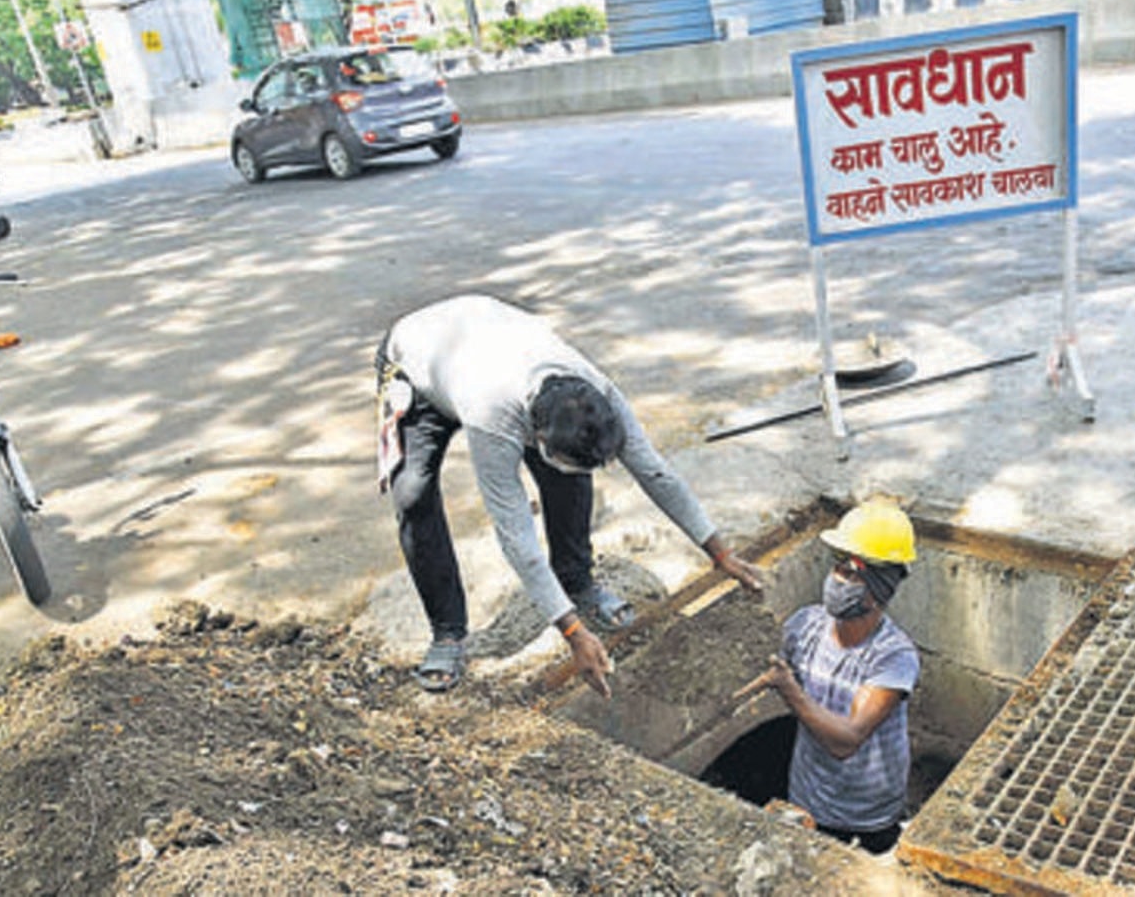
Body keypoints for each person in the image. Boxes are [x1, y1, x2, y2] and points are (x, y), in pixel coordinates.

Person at [376, 295, 763, 695]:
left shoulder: (597, 394)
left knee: (571, 478)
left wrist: (720, 553)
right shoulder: (493, 417)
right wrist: (574, 632)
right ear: (537, 437)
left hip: (484, 339)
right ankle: (448, 633)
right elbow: (516, 534)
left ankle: (576, 583)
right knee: (413, 494)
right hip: (418, 363)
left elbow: (656, 472)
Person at [733, 499, 921, 854]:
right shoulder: (804, 625)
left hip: (867, 816)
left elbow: (846, 741)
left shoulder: (894, 657)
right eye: (838, 568)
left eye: (853, 574)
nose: (838, 581)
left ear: (879, 588)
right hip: (806, 797)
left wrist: (790, 691)